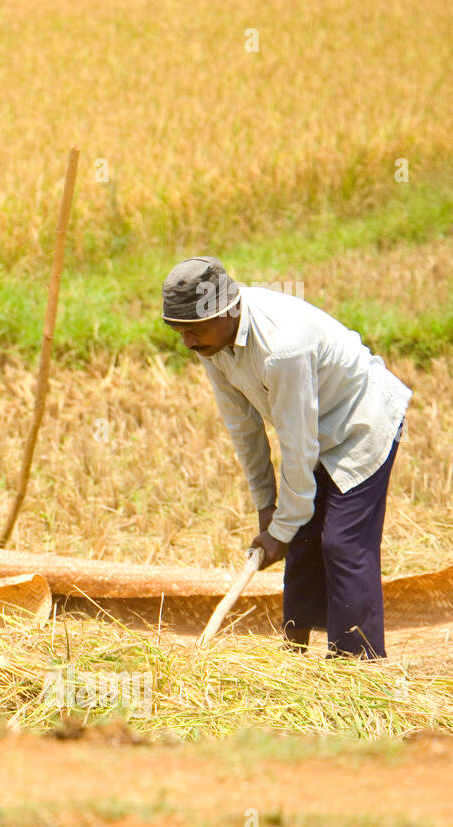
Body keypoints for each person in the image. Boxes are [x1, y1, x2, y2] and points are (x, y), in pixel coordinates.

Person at [160, 257, 411, 659]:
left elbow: (297, 445)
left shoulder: (281, 349)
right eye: (180, 333)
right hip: (314, 425)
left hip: (361, 421)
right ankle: (294, 658)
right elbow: (244, 429)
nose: (187, 343)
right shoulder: (212, 345)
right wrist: (269, 508)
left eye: (194, 331)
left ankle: (356, 667)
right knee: (302, 538)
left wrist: (282, 527)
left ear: (231, 310)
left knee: (342, 543)